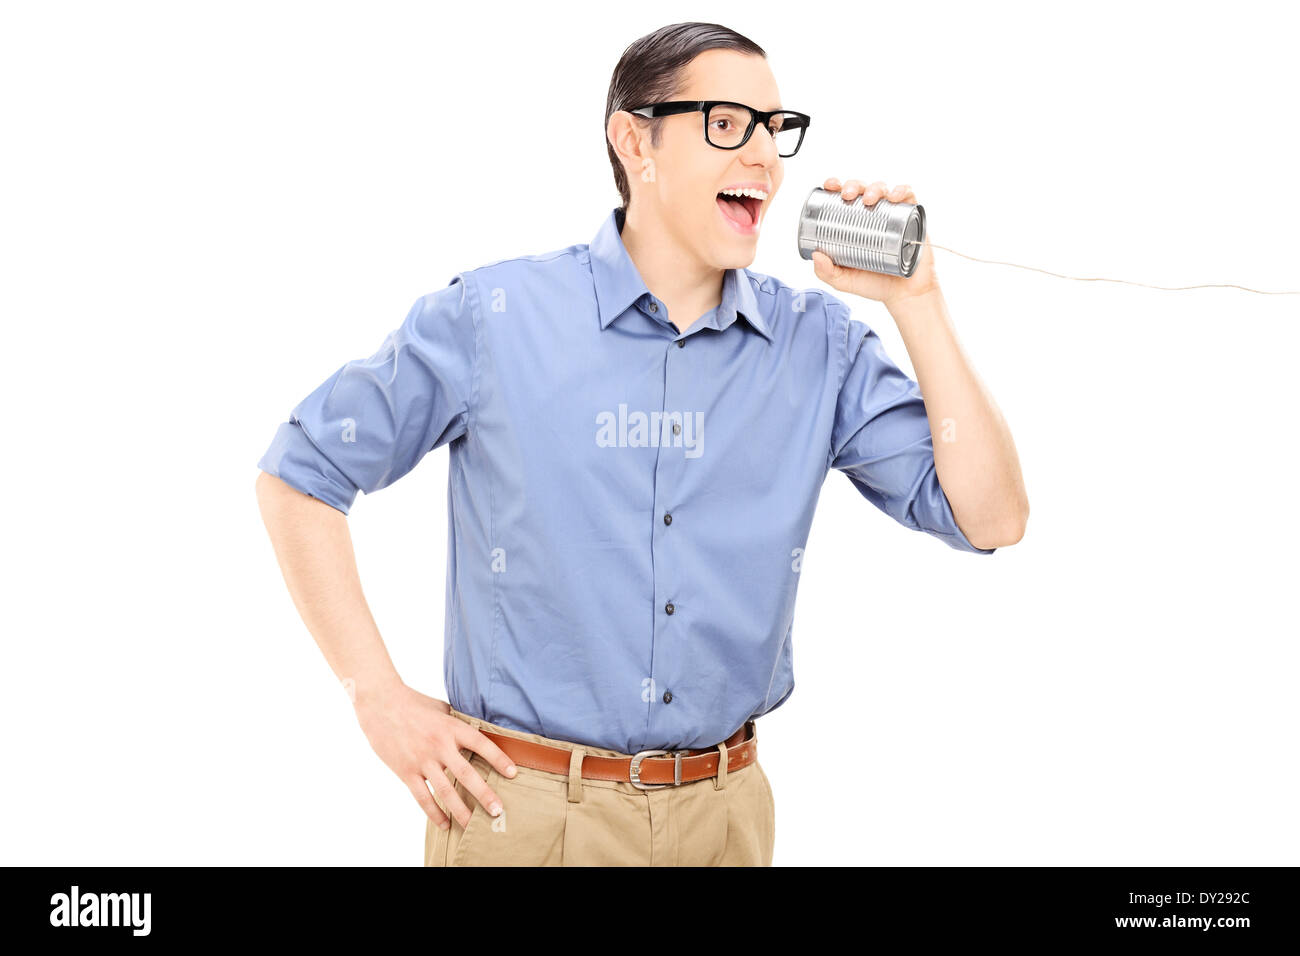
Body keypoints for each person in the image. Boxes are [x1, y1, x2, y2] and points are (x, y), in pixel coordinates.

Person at [254, 21, 1028, 867]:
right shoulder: (494, 319)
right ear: (635, 141)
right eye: (727, 123)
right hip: (523, 817)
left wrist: (918, 302)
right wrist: (378, 699)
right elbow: (301, 474)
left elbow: (989, 516)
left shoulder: (822, 346)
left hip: (725, 820)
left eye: (776, 129)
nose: (765, 157)